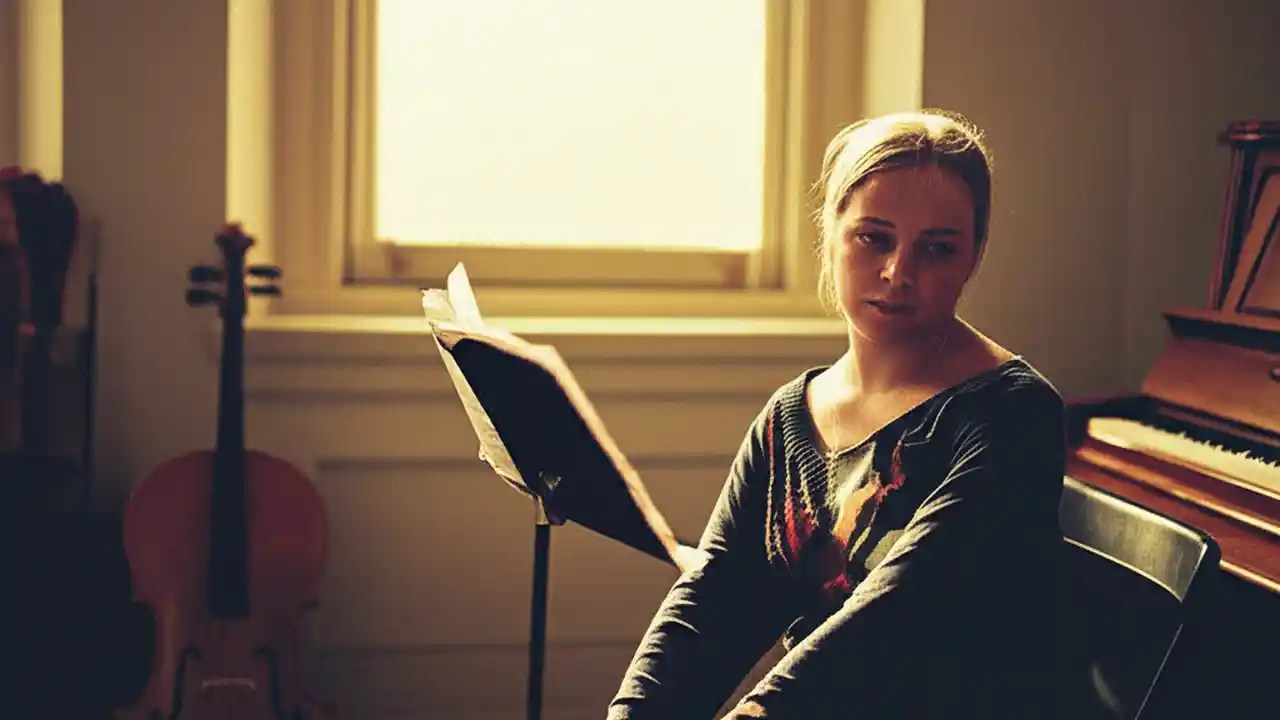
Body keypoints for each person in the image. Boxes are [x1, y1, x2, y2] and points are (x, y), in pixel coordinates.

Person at [607, 109, 1066, 719]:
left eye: (937, 249)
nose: (898, 273)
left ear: (974, 256)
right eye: (874, 237)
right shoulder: (790, 418)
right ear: (831, 231)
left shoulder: (1011, 414)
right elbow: (712, 598)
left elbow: (896, 612)